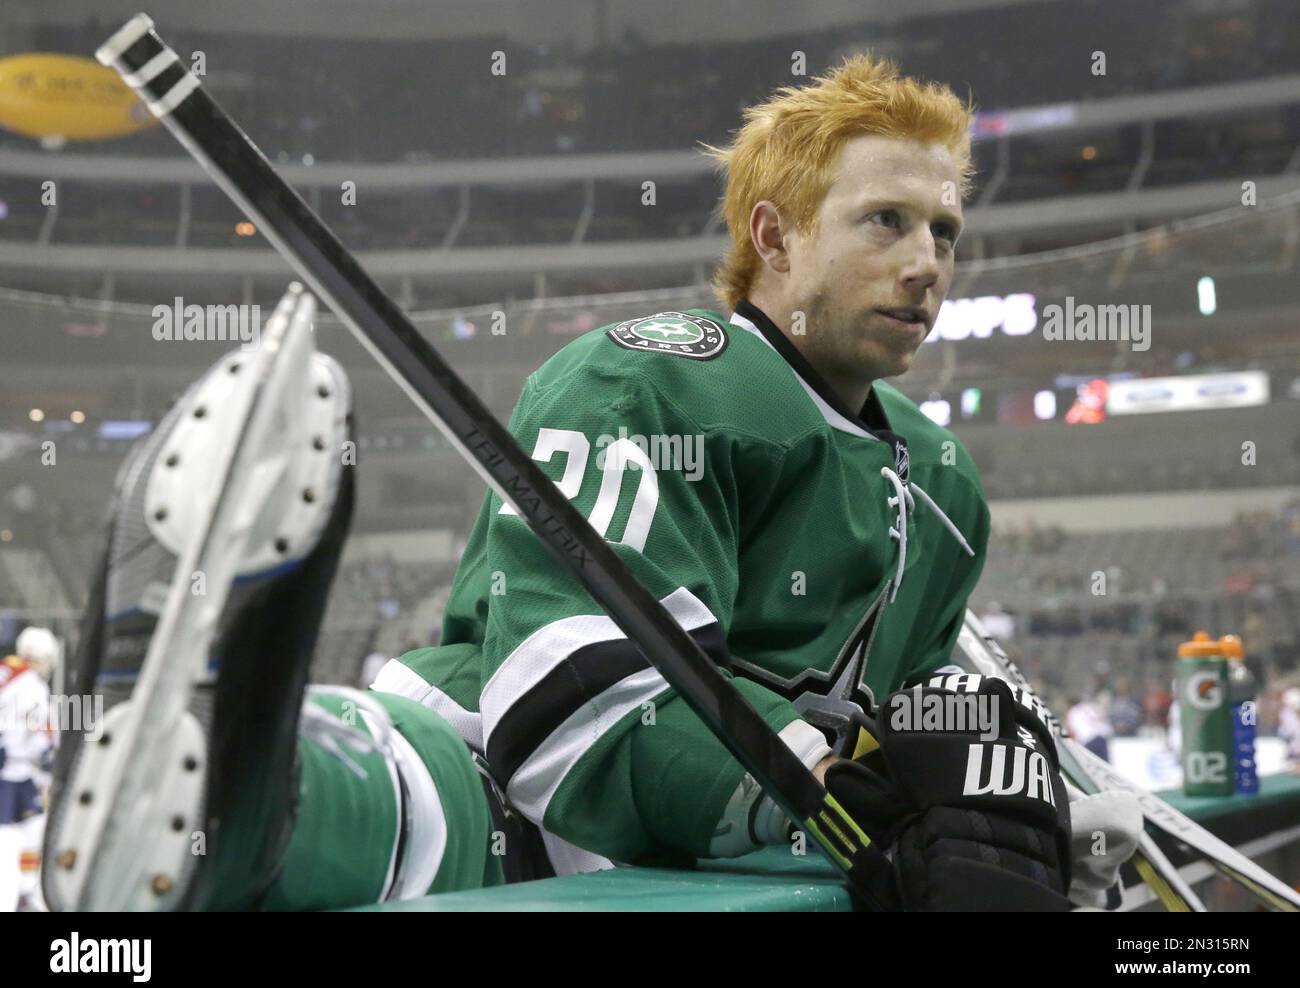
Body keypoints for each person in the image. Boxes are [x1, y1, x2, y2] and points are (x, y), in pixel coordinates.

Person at [50, 56, 1130, 912]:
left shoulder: (943, 482)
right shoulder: (653, 378)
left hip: (706, 864)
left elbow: (922, 716)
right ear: (774, 236)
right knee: (410, 807)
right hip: (511, 784)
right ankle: (225, 785)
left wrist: (1046, 796)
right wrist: (848, 790)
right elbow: (577, 704)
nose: (928, 260)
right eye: (884, 221)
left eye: (944, 229)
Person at [0, 627, 57, 911]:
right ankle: (22, 892)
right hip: (17, 771)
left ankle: (21, 892)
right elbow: (39, 730)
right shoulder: (31, 684)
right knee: (28, 831)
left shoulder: (6, 673)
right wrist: (47, 755)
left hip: (10, 768)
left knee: (20, 831)